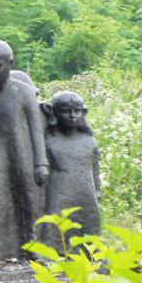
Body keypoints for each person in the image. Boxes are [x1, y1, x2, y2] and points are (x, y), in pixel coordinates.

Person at [0, 40, 49, 255]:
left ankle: (34, 245)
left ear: (10, 63)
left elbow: (37, 130)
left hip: (21, 149)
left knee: (29, 197)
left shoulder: (24, 92)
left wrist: (40, 162)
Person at [40, 92, 101, 248]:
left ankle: (90, 252)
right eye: (66, 111)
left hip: (86, 192)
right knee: (55, 219)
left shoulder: (89, 142)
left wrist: (97, 190)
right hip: (58, 190)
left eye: (77, 111)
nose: (73, 116)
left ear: (83, 112)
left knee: (88, 221)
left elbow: (95, 169)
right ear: (55, 113)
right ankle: (51, 249)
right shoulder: (49, 141)